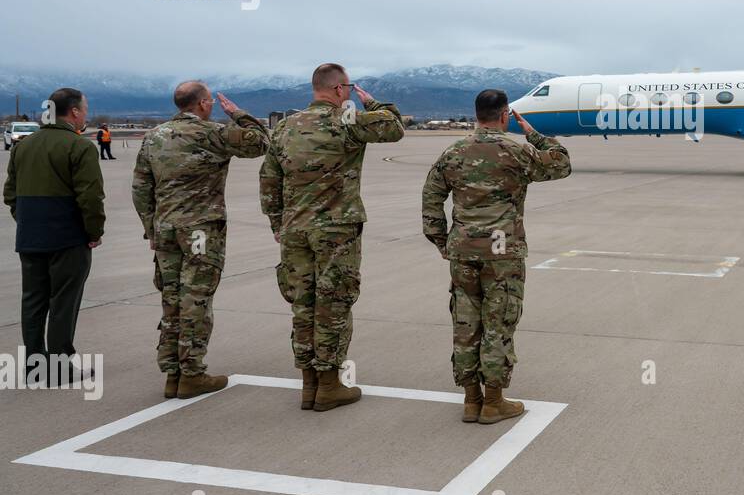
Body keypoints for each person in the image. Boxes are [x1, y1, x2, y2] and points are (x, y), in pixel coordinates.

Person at [259, 64, 404, 411]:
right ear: (340, 90)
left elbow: (269, 181)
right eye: (349, 89)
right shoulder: (346, 122)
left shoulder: (285, 127)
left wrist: (278, 223)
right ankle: (328, 384)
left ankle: (308, 384)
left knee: (303, 303)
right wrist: (375, 102)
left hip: (295, 230)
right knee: (333, 304)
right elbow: (394, 127)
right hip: (336, 229)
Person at [422, 89, 571, 425]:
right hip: (502, 251)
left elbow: (431, 196)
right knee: (498, 323)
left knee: (465, 324)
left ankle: (471, 400)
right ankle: (493, 402)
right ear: (505, 115)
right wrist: (532, 132)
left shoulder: (453, 151)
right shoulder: (517, 149)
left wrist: (441, 240)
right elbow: (561, 163)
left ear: (476, 114)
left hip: (462, 250)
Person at [132, 82, 269, 399]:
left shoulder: (155, 136)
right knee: (195, 298)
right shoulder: (211, 133)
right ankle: (192, 373)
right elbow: (261, 142)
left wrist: (151, 228)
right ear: (204, 104)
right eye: (209, 101)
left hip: (166, 229)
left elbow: (141, 188)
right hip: (199, 231)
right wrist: (238, 114)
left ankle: (172, 372)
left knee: (172, 297)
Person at [2, 88, 104, 384]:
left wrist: (29, 221)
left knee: (33, 300)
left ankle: (35, 365)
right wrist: (93, 231)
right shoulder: (79, 146)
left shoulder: (24, 146)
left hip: (31, 236)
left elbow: (11, 194)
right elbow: (90, 196)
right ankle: (59, 365)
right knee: (63, 302)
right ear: (73, 112)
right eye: (84, 109)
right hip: (68, 237)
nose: (85, 114)